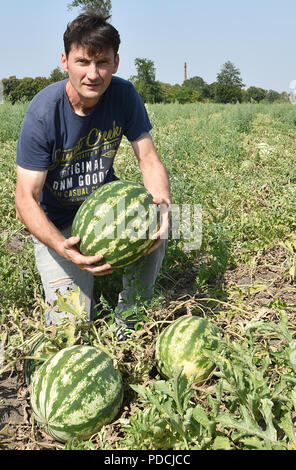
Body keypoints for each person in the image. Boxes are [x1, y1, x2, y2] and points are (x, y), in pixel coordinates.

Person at [15, 10, 171, 340]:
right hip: (59, 225)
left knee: (164, 228)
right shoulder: (43, 113)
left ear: (115, 62)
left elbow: (149, 160)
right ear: (65, 61)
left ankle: (128, 326)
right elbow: (25, 199)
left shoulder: (124, 95)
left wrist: (163, 210)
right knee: (70, 330)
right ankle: (82, 283)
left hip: (105, 210)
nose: (93, 74)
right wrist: (63, 247)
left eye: (102, 63)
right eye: (83, 61)